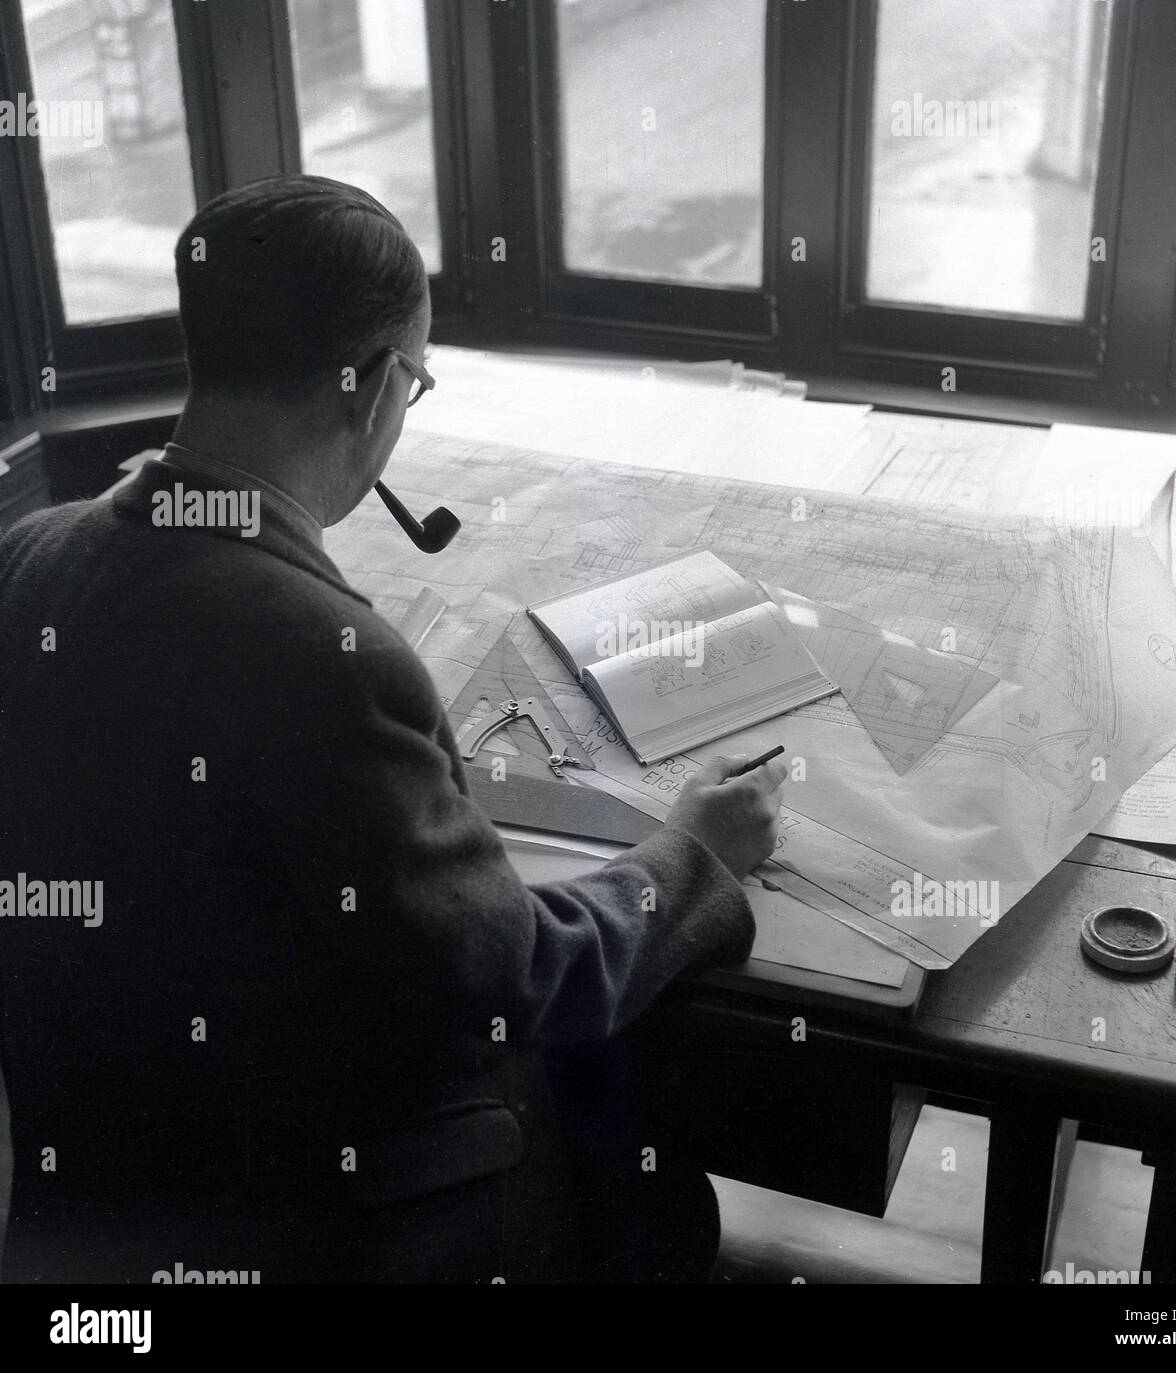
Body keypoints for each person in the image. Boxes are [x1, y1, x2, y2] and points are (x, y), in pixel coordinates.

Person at [0, 175, 787, 1284]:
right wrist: (693, 855)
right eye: (413, 380)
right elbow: (518, 978)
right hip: (325, 1219)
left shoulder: (28, 556)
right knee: (660, 1198)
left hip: (96, 1184)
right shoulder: (331, 661)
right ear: (367, 385)